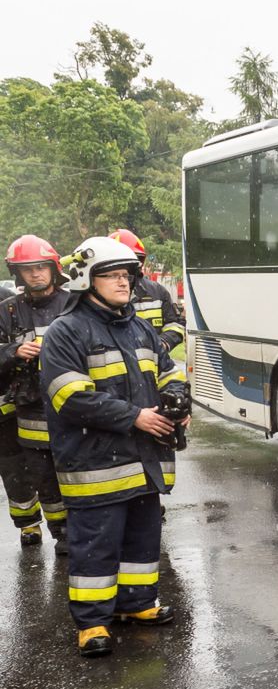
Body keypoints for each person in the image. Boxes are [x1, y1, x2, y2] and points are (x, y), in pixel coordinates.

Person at [40, 236, 187, 657]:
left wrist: (178, 403)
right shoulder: (66, 332)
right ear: (87, 279)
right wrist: (135, 416)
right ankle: (92, 623)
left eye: (127, 275)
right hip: (95, 463)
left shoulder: (139, 326)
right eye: (113, 275)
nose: (124, 283)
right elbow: (70, 396)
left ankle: (136, 605)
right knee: (96, 544)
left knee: (143, 538)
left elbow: (167, 369)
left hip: (144, 461)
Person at [0, 235, 71, 551]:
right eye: (27, 269)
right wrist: (15, 351)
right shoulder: (7, 310)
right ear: (18, 273)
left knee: (75, 471)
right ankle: (60, 531)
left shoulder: (74, 303)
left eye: (41, 266)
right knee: (41, 475)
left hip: (72, 404)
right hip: (28, 408)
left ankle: (78, 528)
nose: (35, 274)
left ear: (54, 268)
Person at [108, 229, 185, 354]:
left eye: (132, 260)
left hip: (154, 367)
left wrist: (163, 343)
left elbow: (175, 324)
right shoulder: (99, 297)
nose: (126, 267)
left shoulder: (157, 292)